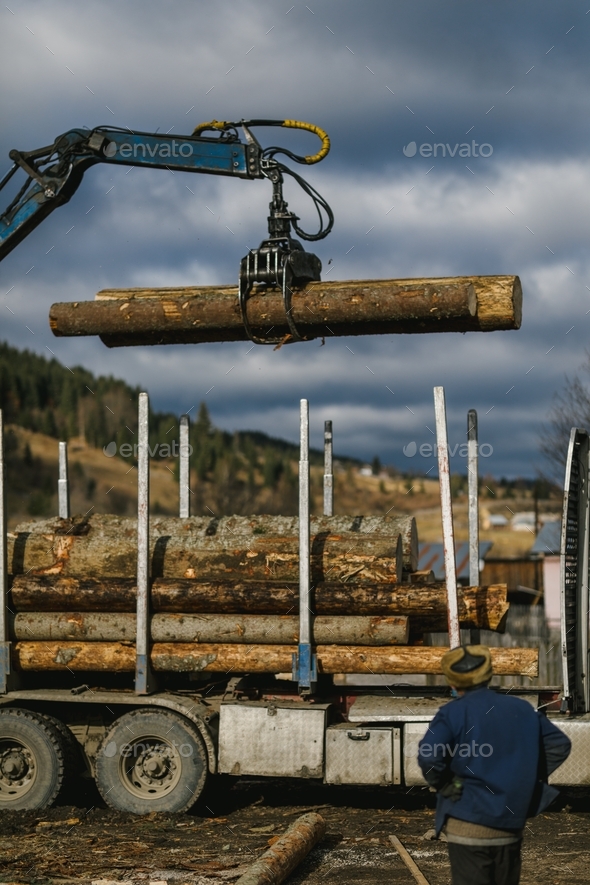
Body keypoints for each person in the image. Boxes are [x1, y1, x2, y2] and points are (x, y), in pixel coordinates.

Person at [417, 644, 571, 885]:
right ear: (489, 675)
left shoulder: (452, 713)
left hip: (466, 826)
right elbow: (559, 745)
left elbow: (429, 756)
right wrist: (526, 775)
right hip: (509, 826)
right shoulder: (521, 708)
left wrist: (444, 783)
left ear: (452, 682)